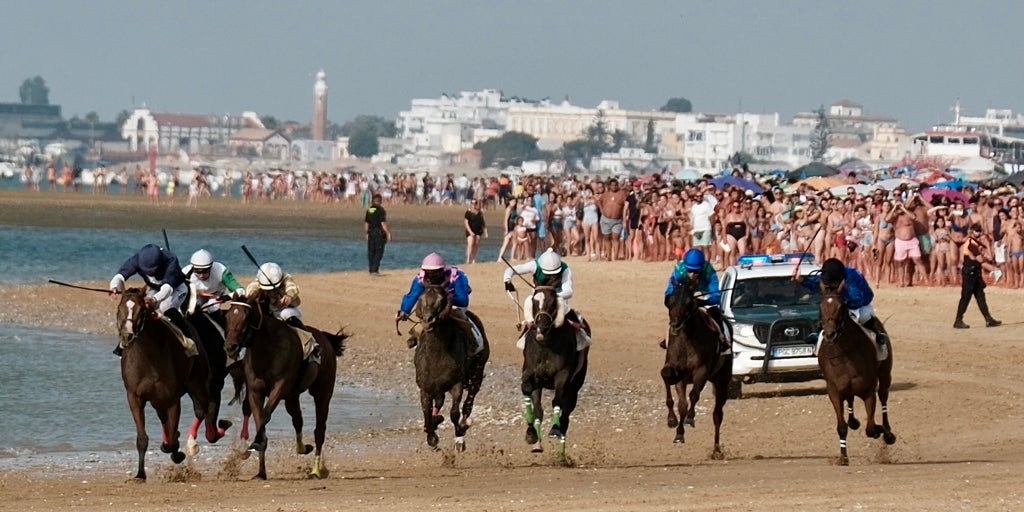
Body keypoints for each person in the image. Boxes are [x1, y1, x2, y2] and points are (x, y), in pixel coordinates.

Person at [108, 244, 197, 357]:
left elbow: (167, 289)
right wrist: (114, 287)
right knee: (140, 310)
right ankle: (124, 342)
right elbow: (119, 276)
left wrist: (153, 299)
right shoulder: (138, 259)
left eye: (152, 270)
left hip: (175, 289)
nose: (149, 273)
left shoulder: (171, 261)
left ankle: (187, 341)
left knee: (164, 310)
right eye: (146, 271)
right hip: (154, 288)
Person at [394, 253, 483, 354]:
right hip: (432, 306)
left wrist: (447, 299)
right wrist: (404, 311)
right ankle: (417, 337)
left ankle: (473, 340)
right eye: (429, 273)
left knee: (458, 315)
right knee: (426, 317)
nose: (431, 276)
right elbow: (412, 295)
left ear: (442, 271)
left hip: (454, 304)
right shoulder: (421, 279)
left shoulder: (456, 275)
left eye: (435, 273)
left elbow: (463, 300)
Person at [502, 248, 590, 351]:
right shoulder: (534, 265)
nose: (551, 276)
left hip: (556, 299)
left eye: (554, 274)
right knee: (528, 301)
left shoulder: (565, 269)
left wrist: (552, 297)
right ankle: (526, 335)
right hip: (538, 300)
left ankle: (581, 336)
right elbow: (510, 270)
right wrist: (507, 280)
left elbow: (569, 291)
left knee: (565, 308)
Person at [797, 257, 888, 347]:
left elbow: (857, 299)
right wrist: (802, 280)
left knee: (864, 316)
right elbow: (814, 284)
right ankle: (816, 334)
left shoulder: (852, 277)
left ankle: (877, 334)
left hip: (859, 304)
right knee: (827, 312)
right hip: (839, 302)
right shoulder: (827, 274)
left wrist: (841, 303)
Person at [661, 248, 731, 354]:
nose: (692, 274)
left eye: (696, 271)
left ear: (701, 268)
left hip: (704, 293)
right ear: (685, 267)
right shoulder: (679, 270)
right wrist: (674, 301)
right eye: (689, 271)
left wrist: (703, 302)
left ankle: (722, 338)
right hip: (685, 294)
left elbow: (716, 296)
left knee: (714, 311)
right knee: (677, 312)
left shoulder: (709, 271)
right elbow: (669, 291)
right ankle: (669, 338)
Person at [954, 224, 1002, 329]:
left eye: (980, 231)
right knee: (966, 297)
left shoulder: (973, 242)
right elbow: (980, 259)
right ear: (971, 231)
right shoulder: (971, 243)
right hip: (970, 272)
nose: (978, 233)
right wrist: (988, 259)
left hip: (974, 272)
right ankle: (958, 320)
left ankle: (988, 319)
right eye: (976, 231)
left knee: (980, 296)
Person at [182, 249, 246, 315]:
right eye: (198, 272)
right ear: (192, 268)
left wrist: (227, 297)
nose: (202, 276)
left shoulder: (221, 270)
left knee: (213, 309)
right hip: (197, 295)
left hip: (216, 294)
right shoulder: (185, 272)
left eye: (205, 271)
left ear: (211, 267)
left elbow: (241, 290)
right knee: (190, 310)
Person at [245, 262, 303, 327]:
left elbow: (292, 287)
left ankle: (305, 335)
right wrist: (252, 295)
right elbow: (251, 289)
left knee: (285, 314)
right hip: (271, 312)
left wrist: (289, 296)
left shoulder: (286, 278)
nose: (270, 293)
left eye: (272, 290)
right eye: (267, 290)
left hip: (290, 310)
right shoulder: (260, 281)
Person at [365, 193, 392, 275]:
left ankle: (371, 269)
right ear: (380, 201)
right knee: (378, 251)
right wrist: (388, 233)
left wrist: (366, 232)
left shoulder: (370, 209)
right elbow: (382, 222)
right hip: (379, 233)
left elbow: (367, 222)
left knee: (371, 251)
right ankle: (375, 269)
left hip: (371, 232)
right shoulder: (381, 210)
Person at [464, 198, 487, 264]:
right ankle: (468, 259)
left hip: (478, 231)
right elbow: (466, 223)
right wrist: (470, 232)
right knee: (470, 243)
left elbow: (483, 222)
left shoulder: (479, 213)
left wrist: (485, 231)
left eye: (475, 203)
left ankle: (473, 258)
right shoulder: (468, 212)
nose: (474, 205)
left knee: (476, 244)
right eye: (472, 203)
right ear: (471, 204)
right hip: (470, 231)